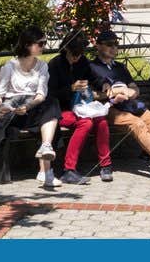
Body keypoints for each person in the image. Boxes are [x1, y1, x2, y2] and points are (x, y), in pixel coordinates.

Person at [88, 29, 150, 184]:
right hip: (107, 109)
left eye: (116, 44)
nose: (114, 48)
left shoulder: (120, 67)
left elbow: (135, 88)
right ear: (98, 46)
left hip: (129, 105)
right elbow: (90, 95)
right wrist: (111, 94)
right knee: (137, 124)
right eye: (109, 44)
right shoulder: (91, 68)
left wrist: (129, 92)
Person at [0, 26, 62, 189]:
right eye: (40, 43)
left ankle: (46, 149)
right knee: (52, 119)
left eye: (44, 43)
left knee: (52, 104)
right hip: (12, 112)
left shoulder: (42, 66)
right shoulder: (10, 66)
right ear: (28, 45)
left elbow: (41, 94)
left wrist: (28, 106)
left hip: (31, 109)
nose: (44, 46)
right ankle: (46, 173)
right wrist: (1, 106)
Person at [46, 32, 110, 185]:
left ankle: (106, 166)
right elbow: (50, 94)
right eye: (74, 54)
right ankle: (69, 170)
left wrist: (104, 84)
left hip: (81, 107)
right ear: (66, 49)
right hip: (60, 110)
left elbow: (94, 77)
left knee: (100, 120)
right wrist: (71, 88)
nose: (77, 58)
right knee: (86, 123)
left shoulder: (82, 62)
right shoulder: (55, 65)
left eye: (80, 54)